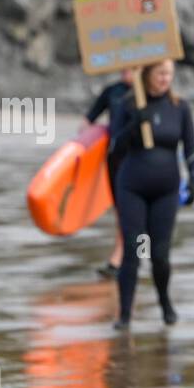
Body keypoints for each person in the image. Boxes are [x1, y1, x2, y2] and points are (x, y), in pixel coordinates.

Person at [112, 59, 194, 328]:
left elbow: (191, 148)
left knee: (159, 254)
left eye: (169, 74)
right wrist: (132, 126)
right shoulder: (128, 104)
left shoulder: (180, 107)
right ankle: (125, 314)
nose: (165, 79)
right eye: (160, 73)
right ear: (146, 73)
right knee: (134, 250)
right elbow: (114, 148)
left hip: (166, 189)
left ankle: (164, 301)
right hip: (132, 187)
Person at [84, 68, 134, 278]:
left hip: (142, 161)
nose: (126, 70)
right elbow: (88, 121)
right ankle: (121, 257)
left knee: (140, 214)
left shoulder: (152, 94)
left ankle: (136, 256)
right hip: (116, 160)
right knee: (121, 211)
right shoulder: (113, 92)